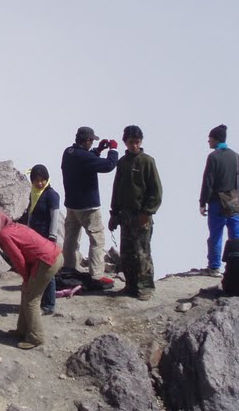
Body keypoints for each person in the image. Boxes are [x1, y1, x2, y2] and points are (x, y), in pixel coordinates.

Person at [0, 211, 63, 350]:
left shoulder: (4, 235)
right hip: (54, 255)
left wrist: (25, 276)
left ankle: (36, 337)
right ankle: (22, 330)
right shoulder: (14, 226)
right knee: (26, 292)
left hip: (46, 261)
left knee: (32, 298)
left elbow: (18, 259)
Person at [108, 125, 163, 300]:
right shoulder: (122, 163)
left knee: (142, 253)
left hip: (142, 215)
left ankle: (145, 288)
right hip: (125, 215)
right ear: (125, 142)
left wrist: (147, 212)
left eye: (137, 142)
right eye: (131, 142)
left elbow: (156, 191)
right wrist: (114, 213)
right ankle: (130, 286)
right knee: (127, 253)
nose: (134, 145)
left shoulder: (147, 161)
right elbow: (117, 189)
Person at [60, 126, 118, 285]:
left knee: (71, 238)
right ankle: (97, 276)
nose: (92, 143)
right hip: (88, 207)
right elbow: (108, 166)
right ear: (87, 141)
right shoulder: (84, 157)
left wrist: (98, 150)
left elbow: (87, 158)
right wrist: (113, 150)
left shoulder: (68, 152)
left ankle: (68, 267)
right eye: (92, 141)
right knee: (97, 239)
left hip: (71, 204)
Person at [199, 124, 239, 277]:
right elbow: (238, 180)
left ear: (216, 139)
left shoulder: (213, 157)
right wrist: (237, 199)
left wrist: (202, 202)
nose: (208, 141)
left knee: (216, 234)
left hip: (217, 201)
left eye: (209, 138)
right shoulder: (236, 156)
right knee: (236, 235)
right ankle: (238, 267)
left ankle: (214, 267)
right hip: (234, 200)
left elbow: (208, 182)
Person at [18, 164, 60, 315]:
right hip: (34, 239)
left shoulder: (51, 195)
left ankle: (49, 305)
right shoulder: (34, 193)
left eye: (43, 180)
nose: (40, 183)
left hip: (46, 239)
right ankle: (38, 302)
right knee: (35, 271)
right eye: (36, 180)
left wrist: (52, 237)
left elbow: (55, 217)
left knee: (47, 272)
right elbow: (31, 213)